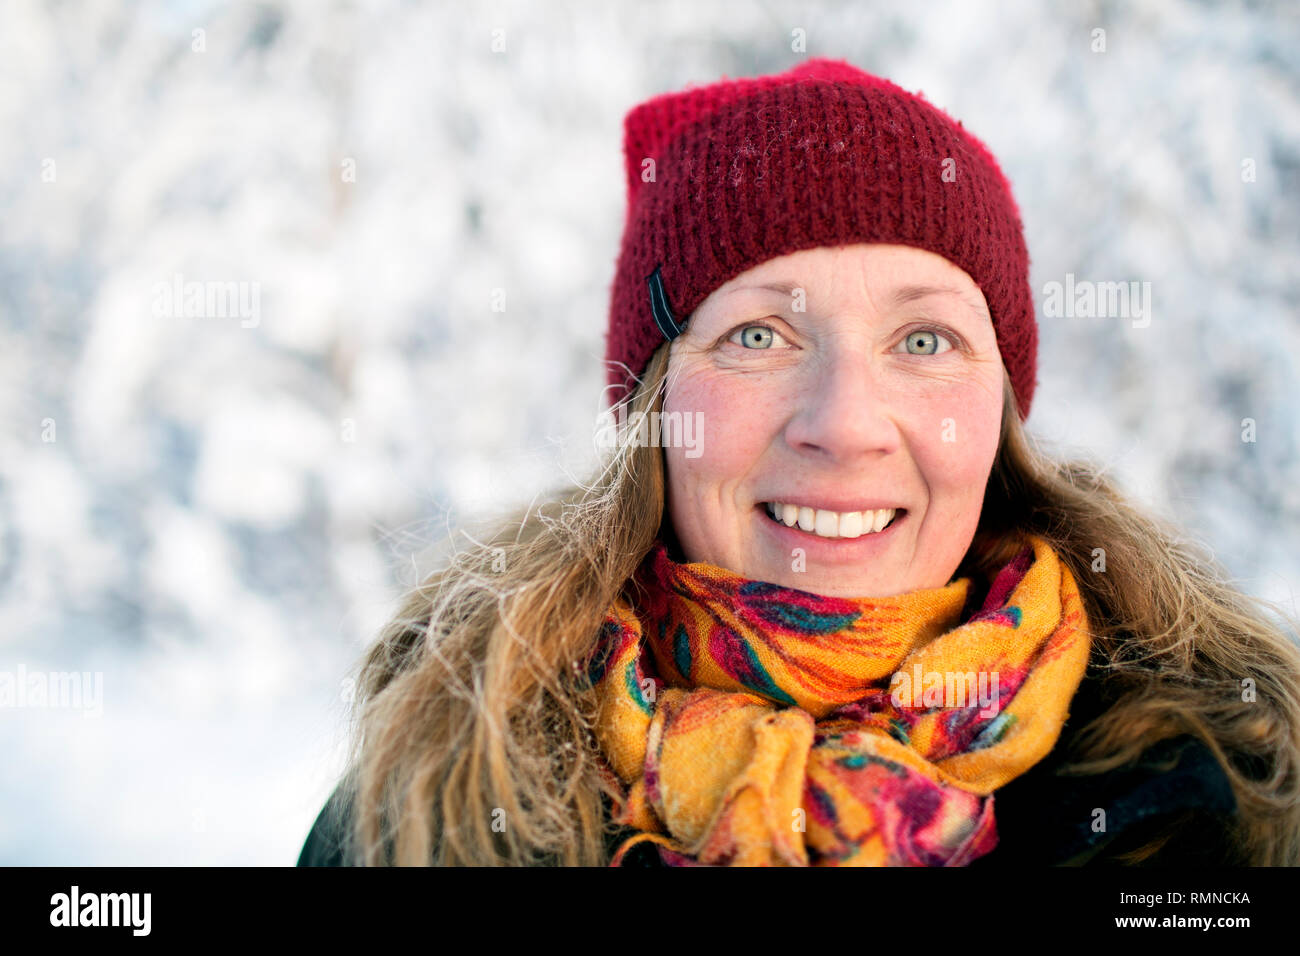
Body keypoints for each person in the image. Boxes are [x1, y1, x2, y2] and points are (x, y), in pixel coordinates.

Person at [297, 58, 1300, 867]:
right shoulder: (442, 794)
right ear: (656, 403)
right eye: (758, 336)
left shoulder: (1223, 787)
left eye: (923, 341)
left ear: (998, 410)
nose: (845, 423)